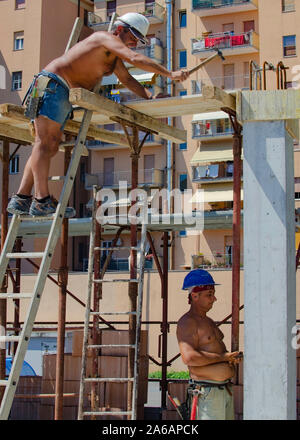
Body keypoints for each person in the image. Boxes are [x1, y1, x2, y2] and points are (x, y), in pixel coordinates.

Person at [7, 12, 189, 217]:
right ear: (120, 29)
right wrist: (170, 74)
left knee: (50, 144)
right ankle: (41, 200)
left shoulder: (114, 57)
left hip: (62, 91)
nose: (134, 44)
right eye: (133, 38)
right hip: (53, 84)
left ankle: (22, 197)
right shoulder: (103, 38)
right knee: (45, 141)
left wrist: (151, 97)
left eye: (138, 41)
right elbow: (135, 58)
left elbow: (128, 80)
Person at [176, 269, 243, 420]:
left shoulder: (208, 321)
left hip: (222, 390)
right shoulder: (187, 322)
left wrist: (231, 358)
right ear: (194, 296)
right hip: (208, 392)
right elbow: (189, 357)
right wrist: (224, 357)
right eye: (209, 294)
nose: (214, 299)